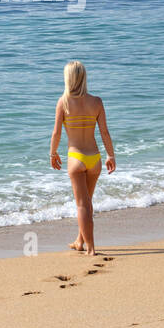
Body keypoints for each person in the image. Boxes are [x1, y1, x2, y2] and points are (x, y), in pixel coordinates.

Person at [50, 61, 115, 255]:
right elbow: (105, 132)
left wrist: (53, 153)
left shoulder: (64, 102)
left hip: (76, 157)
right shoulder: (96, 102)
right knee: (87, 202)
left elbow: (56, 133)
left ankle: (91, 248)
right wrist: (110, 155)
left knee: (82, 205)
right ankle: (80, 241)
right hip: (94, 158)